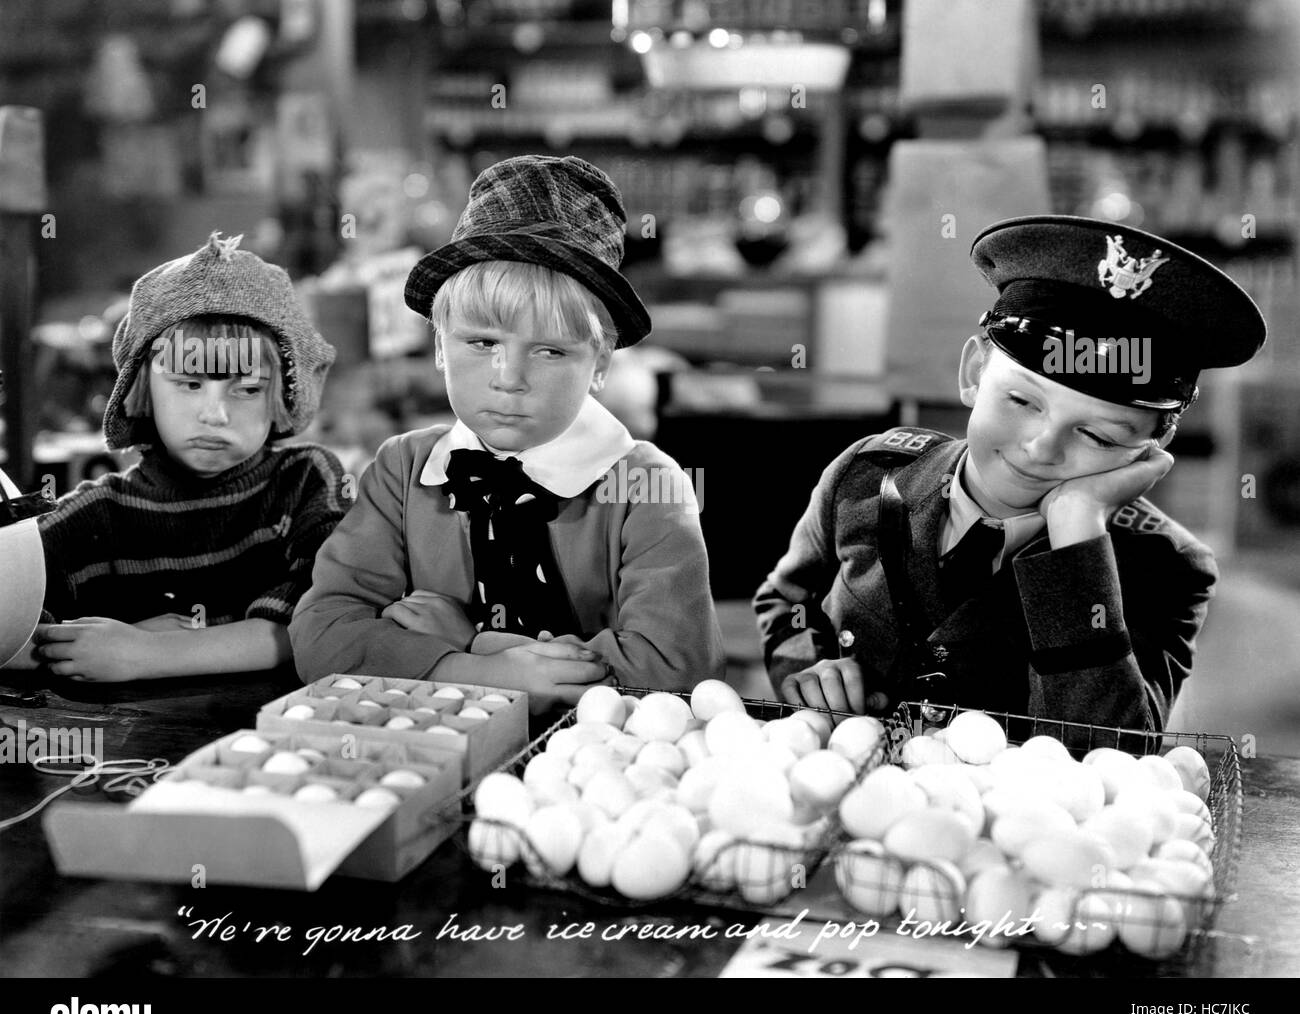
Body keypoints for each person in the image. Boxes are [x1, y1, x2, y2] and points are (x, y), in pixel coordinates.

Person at [755, 215, 1267, 736]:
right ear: (975, 373)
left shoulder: (1165, 566)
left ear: (1152, 448)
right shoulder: (867, 475)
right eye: (1022, 400)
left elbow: (1111, 751)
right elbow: (788, 599)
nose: (1042, 447)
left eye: (1099, 437)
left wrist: (1077, 531)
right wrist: (807, 671)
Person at [290, 155, 724, 715]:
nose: (509, 379)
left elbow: (677, 671)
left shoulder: (646, 486)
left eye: (550, 350)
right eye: (482, 343)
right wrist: (473, 670)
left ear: (600, 362)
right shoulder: (401, 469)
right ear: (441, 346)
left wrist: (474, 642)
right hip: (437, 758)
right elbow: (322, 635)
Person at [19, 232, 346, 682]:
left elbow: (328, 620)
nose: (215, 414)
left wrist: (151, 654)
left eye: (248, 389)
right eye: (189, 384)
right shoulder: (98, 517)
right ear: (141, 389)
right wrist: (106, 644)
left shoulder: (305, 482)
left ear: (286, 394)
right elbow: (6, 629)